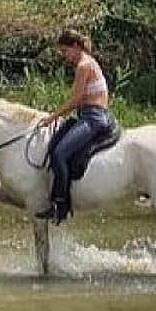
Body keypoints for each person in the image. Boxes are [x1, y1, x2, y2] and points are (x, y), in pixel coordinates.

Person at [34, 30, 115, 223]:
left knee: (59, 154)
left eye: (65, 50)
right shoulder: (89, 62)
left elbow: (77, 99)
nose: (64, 55)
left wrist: (52, 117)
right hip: (91, 114)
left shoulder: (83, 66)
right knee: (56, 146)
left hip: (93, 118)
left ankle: (59, 204)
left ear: (76, 46)